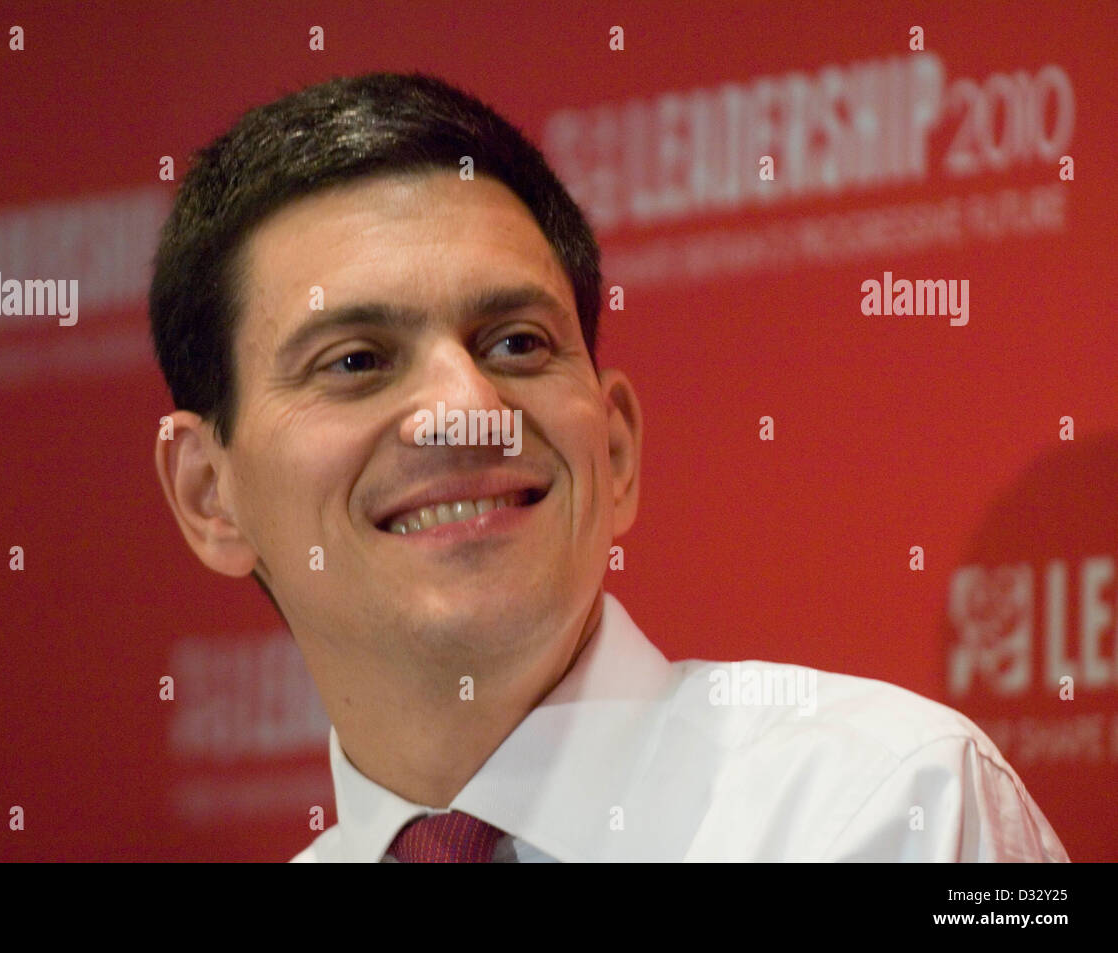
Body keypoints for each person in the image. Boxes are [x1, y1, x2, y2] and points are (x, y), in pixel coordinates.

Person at [148, 72, 1068, 862]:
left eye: (515, 342)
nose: (466, 411)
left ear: (616, 448)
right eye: (355, 361)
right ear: (208, 495)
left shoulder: (898, 805)